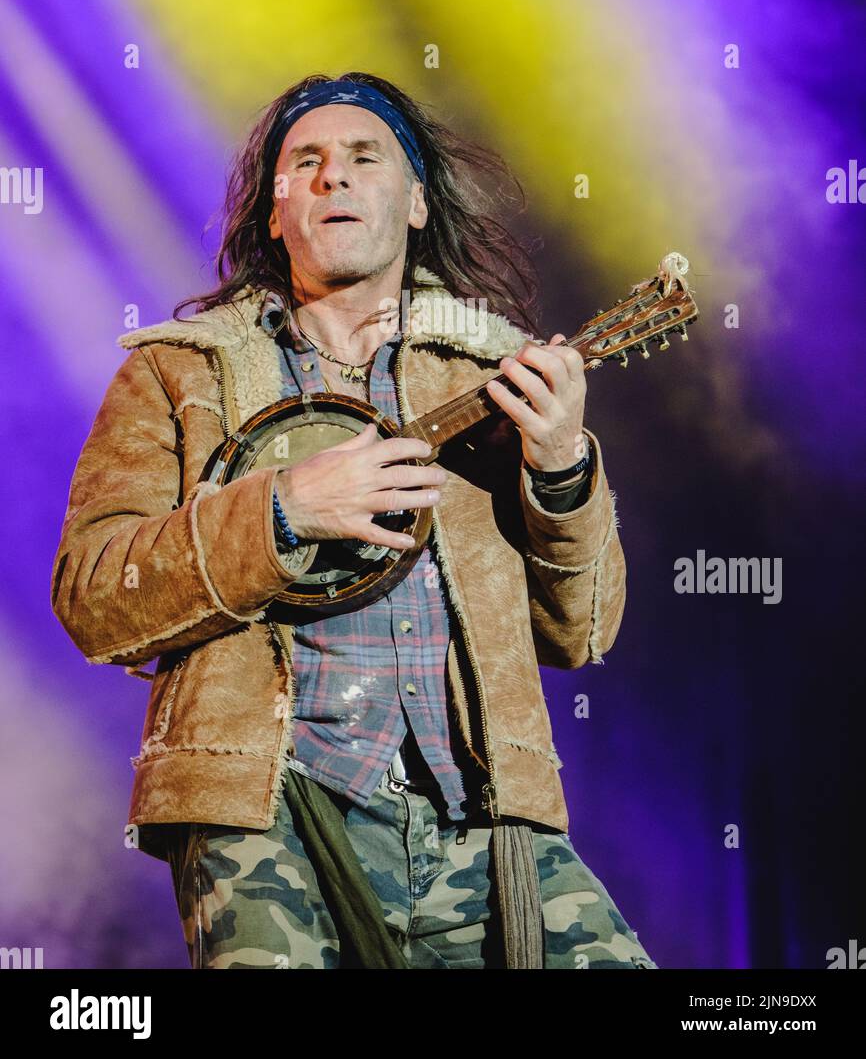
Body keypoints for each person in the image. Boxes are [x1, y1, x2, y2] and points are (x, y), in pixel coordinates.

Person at [50, 71, 657, 970]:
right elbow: (94, 592)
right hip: (268, 813)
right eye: (307, 161)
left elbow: (583, 631)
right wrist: (284, 511)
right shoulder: (179, 376)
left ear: (415, 202)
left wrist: (562, 468)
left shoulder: (489, 381)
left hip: (482, 823)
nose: (335, 176)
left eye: (365, 157)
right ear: (273, 212)